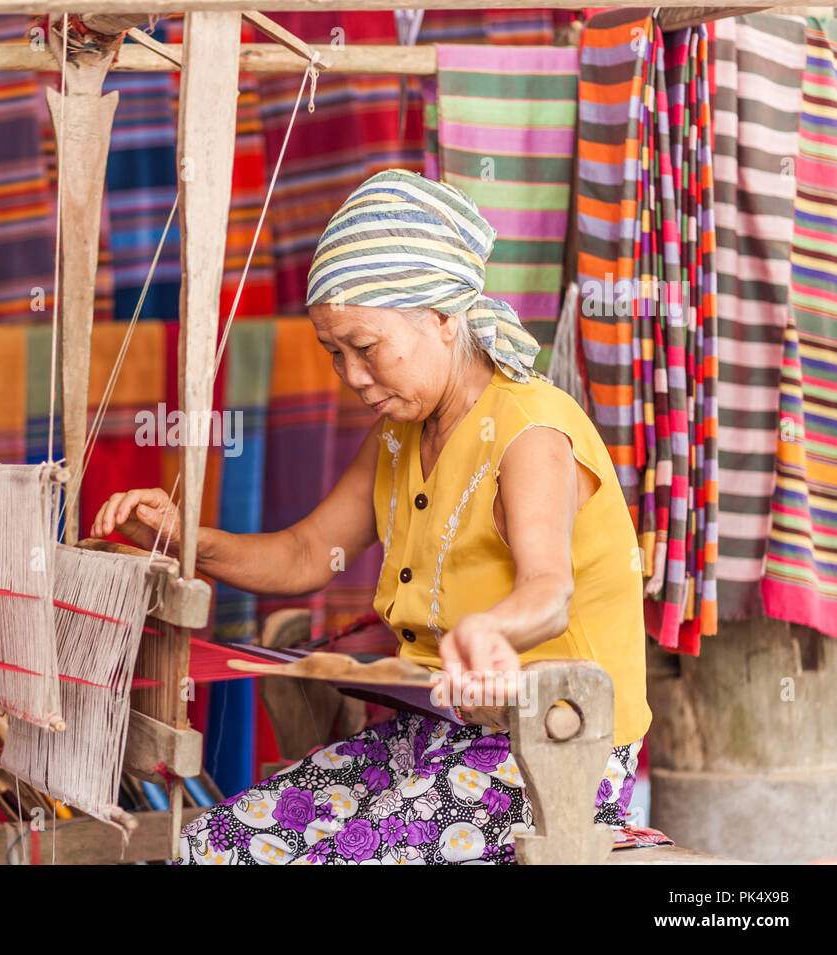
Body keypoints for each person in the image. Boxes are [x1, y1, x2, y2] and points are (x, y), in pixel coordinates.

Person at [92, 169, 651, 865]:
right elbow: (305, 553)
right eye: (335, 352)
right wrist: (186, 539)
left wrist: (487, 628)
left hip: (550, 755)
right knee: (212, 844)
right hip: (431, 737)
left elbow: (549, 590)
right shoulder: (401, 434)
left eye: (366, 346)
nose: (352, 374)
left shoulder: (530, 432)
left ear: (444, 318)